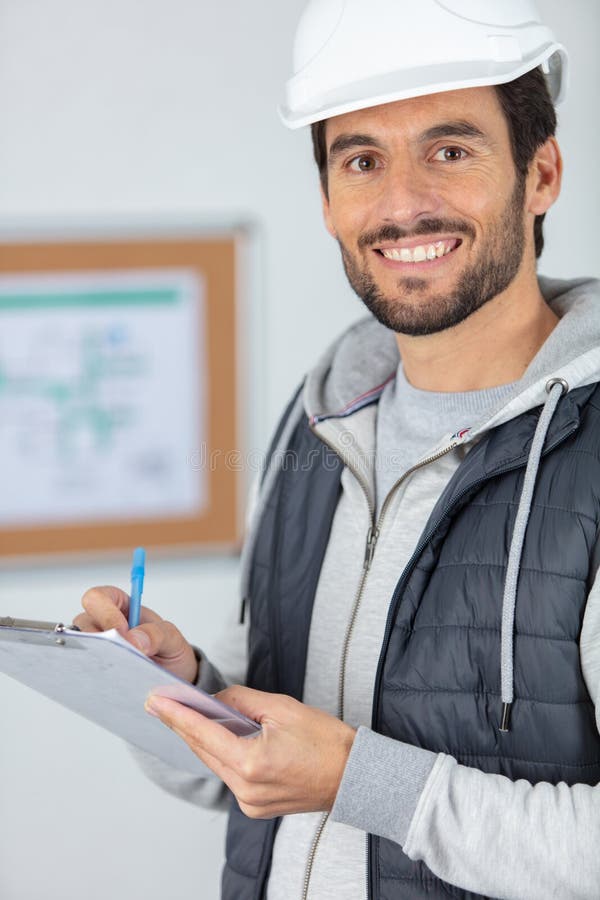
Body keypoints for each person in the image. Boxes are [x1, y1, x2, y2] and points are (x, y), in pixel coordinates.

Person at [76, 2, 600, 898]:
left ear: (540, 172)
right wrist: (179, 693)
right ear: (326, 199)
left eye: (451, 150)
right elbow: (252, 778)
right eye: (362, 160)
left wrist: (363, 781)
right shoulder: (316, 425)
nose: (401, 204)